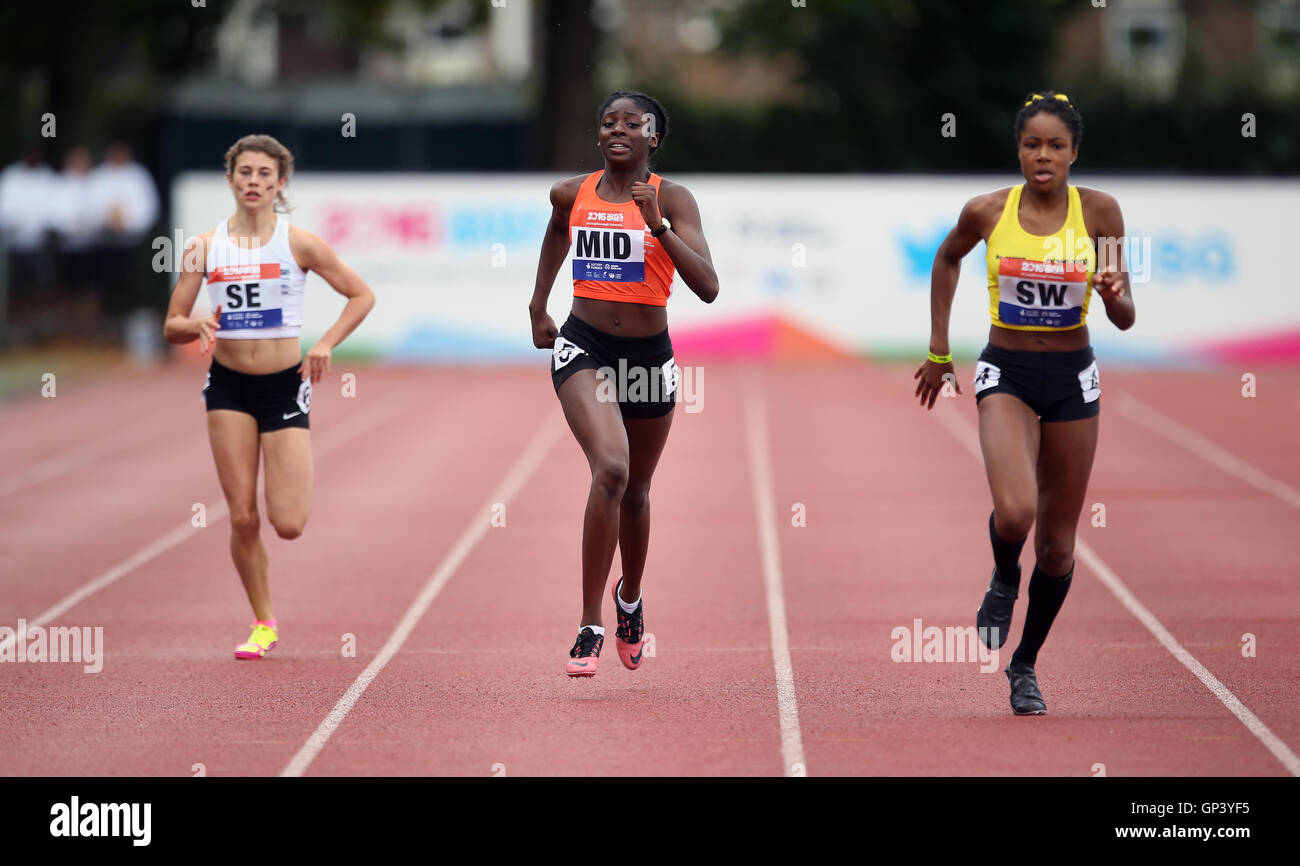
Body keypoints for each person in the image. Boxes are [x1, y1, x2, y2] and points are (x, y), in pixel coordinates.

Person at [914, 92, 1135, 714]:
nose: (1043, 156)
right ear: (1019, 149)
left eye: (1056, 146)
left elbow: (1124, 316)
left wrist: (1113, 291)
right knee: (1015, 514)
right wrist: (939, 348)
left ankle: (1025, 664)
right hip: (1005, 371)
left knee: (1060, 548)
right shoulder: (986, 211)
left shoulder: (1101, 212)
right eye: (1033, 144)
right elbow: (947, 258)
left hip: (1072, 376)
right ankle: (1004, 575)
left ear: (1073, 153)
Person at [528, 91, 720, 677]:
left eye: (632, 124)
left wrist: (657, 227)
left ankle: (629, 600)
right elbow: (558, 232)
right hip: (585, 345)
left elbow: (708, 287)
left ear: (653, 138)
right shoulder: (572, 193)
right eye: (608, 121)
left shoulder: (671, 198)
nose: (618, 130)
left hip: (647, 358)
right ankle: (589, 623)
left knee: (636, 490)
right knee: (610, 468)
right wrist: (539, 305)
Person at [163, 134, 375, 659]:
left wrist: (325, 343)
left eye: (264, 174)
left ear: (281, 182)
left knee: (288, 523)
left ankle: (268, 598)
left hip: (283, 386)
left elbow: (361, 293)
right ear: (230, 179)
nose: (253, 182)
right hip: (229, 387)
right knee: (241, 516)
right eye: (244, 173)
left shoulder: (299, 243)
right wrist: (194, 324)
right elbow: (171, 325)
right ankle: (263, 621)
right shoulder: (204, 247)